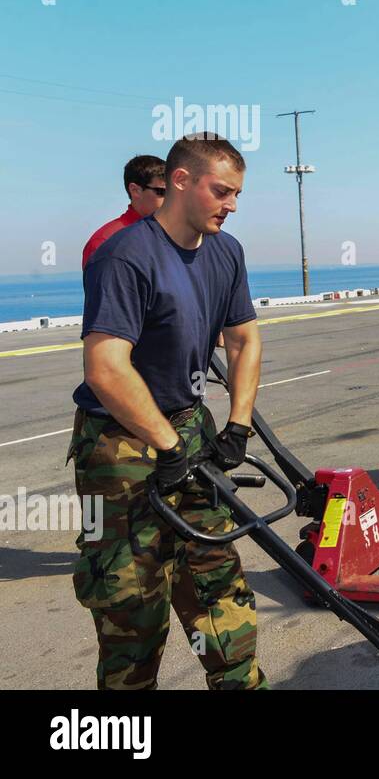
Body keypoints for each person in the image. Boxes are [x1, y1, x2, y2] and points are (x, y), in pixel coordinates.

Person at [68, 132, 267, 689]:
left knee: (216, 583)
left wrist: (238, 424)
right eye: (222, 191)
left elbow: (244, 341)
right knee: (132, 606)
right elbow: (106, 368)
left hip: (189, 428)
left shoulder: (227, 251)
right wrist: (166, 443)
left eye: (236, 195)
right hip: (118, 444)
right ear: (180, 181)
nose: (231, 205)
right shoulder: (124, 256)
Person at [81, 155, 166, 268]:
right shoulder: (104, 242)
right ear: (135, 190)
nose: (171, 198)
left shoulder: (181, 236)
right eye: (162, 192)